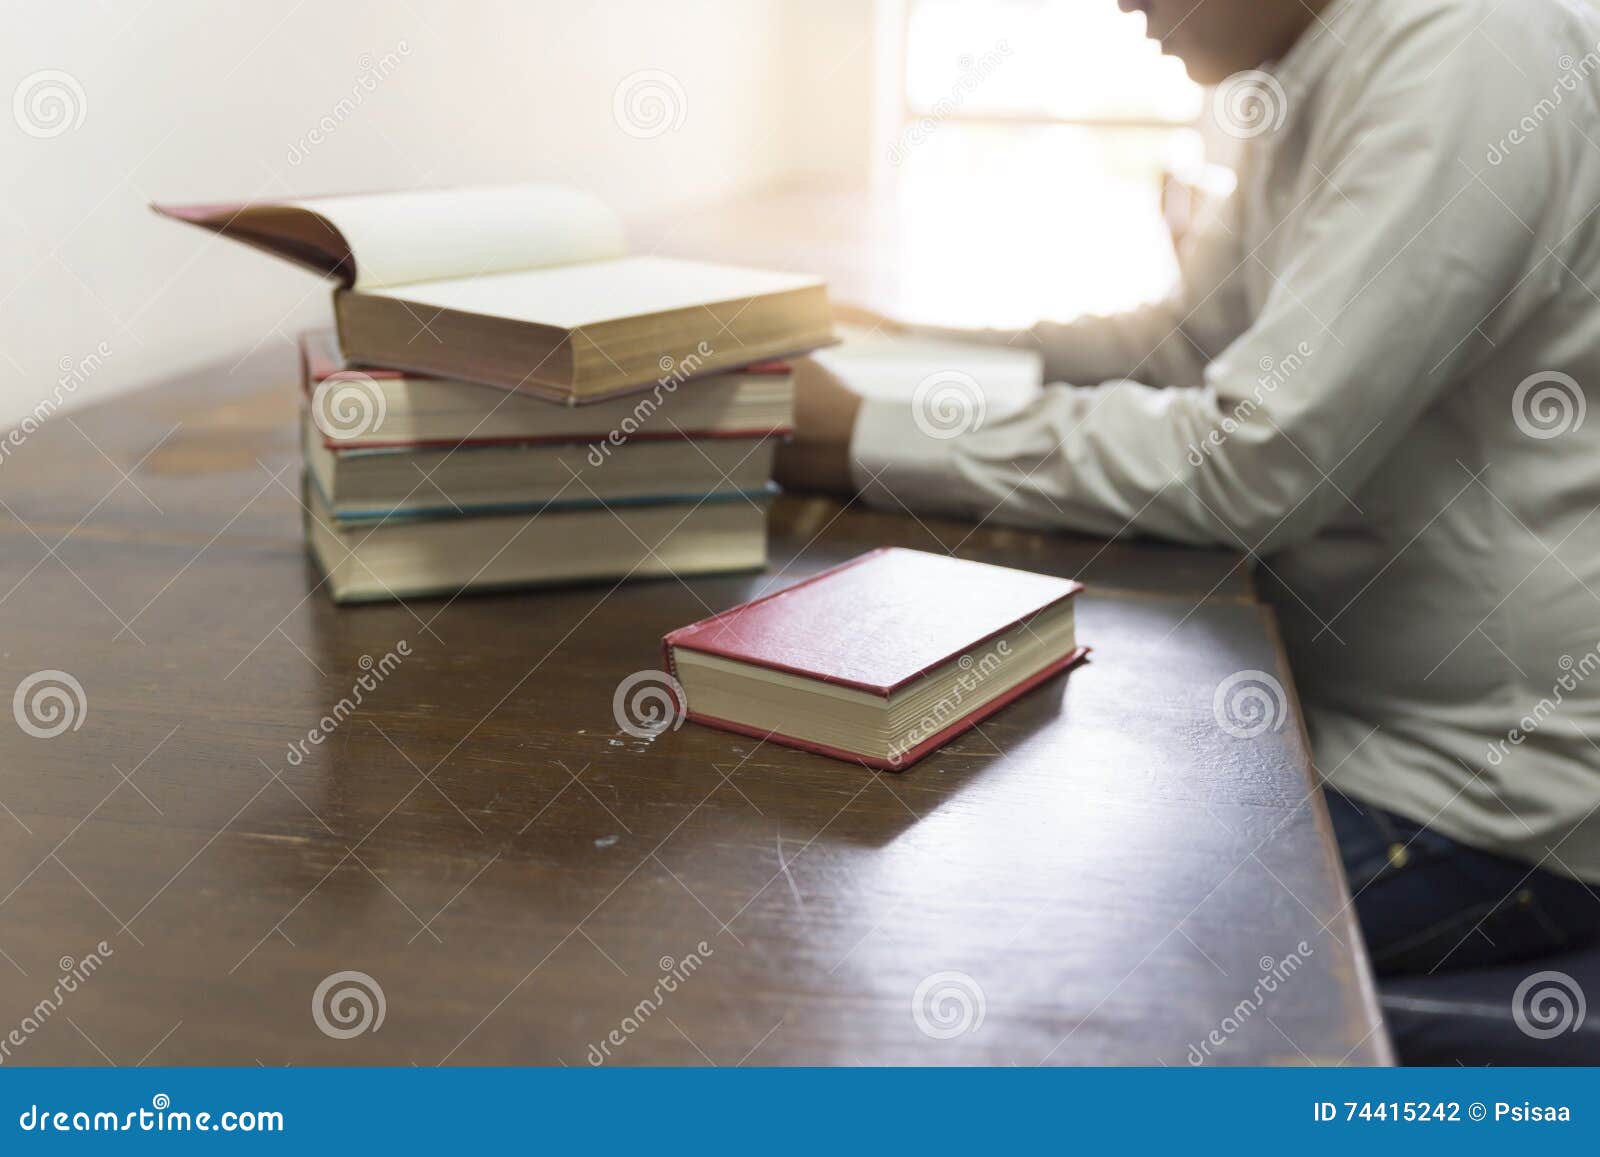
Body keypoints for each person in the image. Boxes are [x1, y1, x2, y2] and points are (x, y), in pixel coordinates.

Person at [776, 0, 1600, 975]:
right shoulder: (1309, 64)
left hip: (1477, 793)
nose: (1119, 1)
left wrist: (863, 436)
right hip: (1336, 713)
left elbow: (1254, 460)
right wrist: (913, 354)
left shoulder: (1466, 48)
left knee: (1047, 960)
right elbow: (1185, 346)